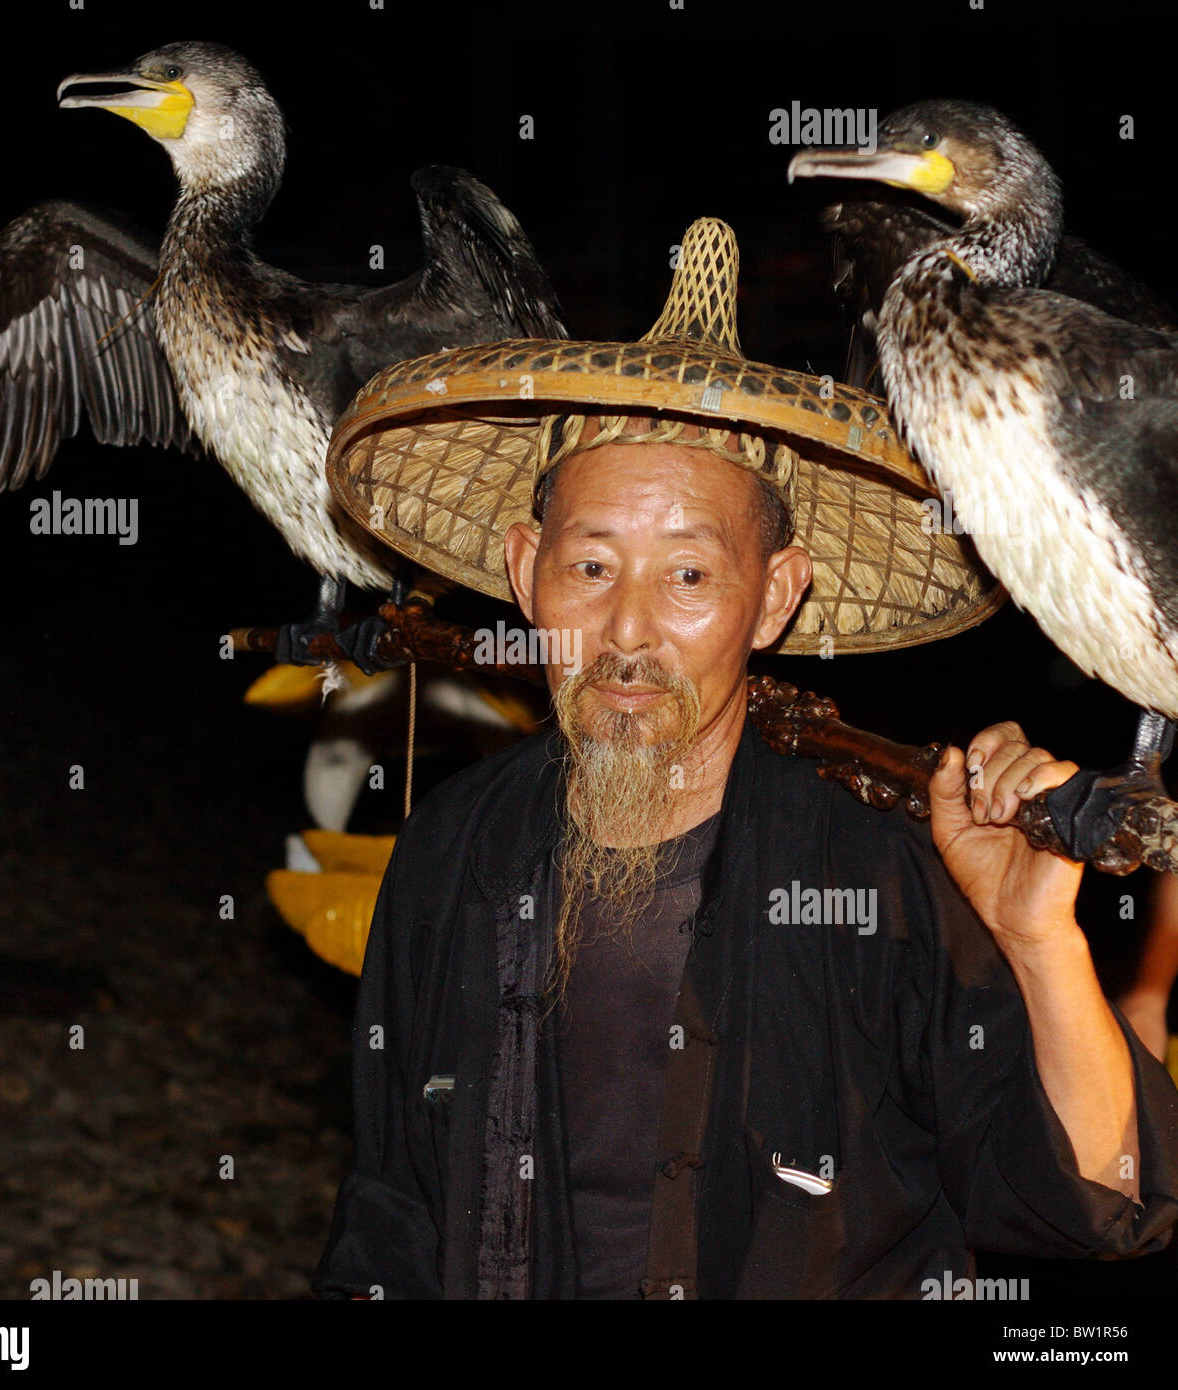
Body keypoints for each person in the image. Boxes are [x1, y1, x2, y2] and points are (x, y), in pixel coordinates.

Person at [313, 219, 1178, 1299]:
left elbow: (1106, 1202)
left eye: (688, 577)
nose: (627, 631)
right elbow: (393, 1209)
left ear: (774, 594)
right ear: (526, 570)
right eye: (590, 565)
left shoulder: (886, 868)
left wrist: (1038, 942)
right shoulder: (453, 848)